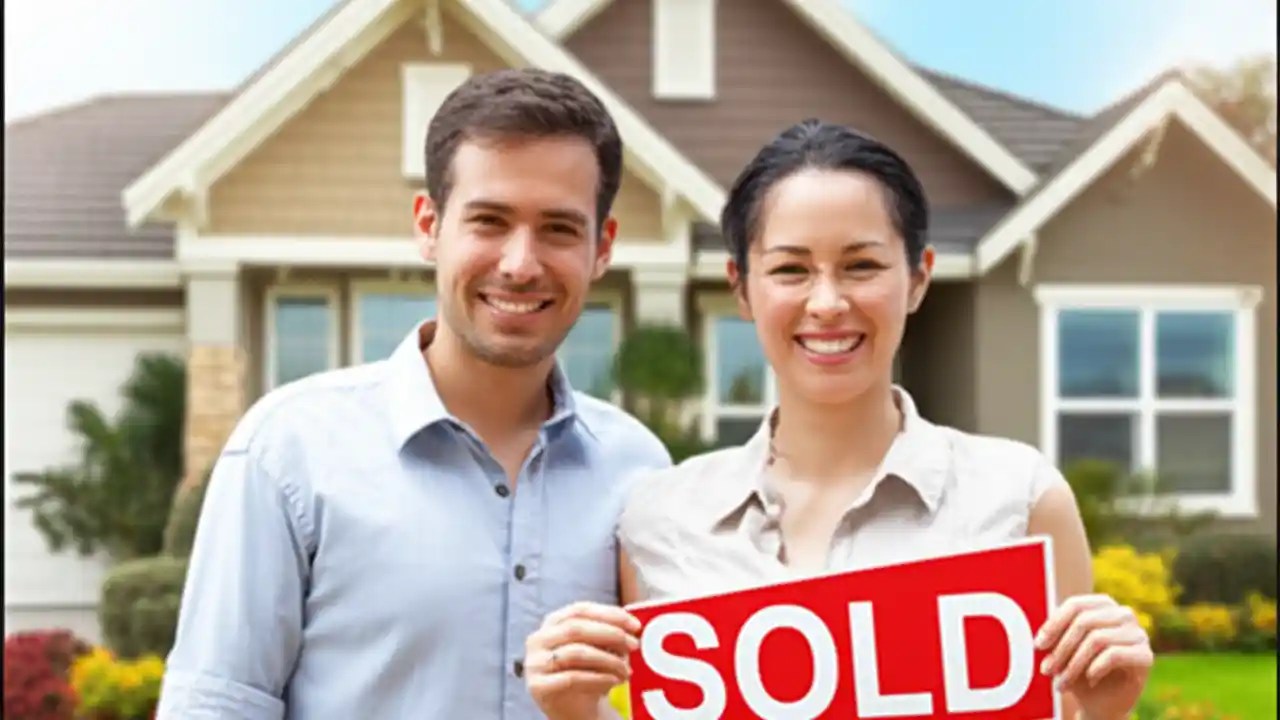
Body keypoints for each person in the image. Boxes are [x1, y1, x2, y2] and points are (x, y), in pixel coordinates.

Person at [524, 119, 1154, 720]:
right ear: (743, 288)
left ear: (917, 278)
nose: (827, 303)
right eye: (791, 269)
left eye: (861, 266)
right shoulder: (659, 521)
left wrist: (1106, 708)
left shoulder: (1019, 497)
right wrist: (579, 711)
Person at [157, 68, 672, 720]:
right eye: (490, 221)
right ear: (429, 226)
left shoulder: (641, 474)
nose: (520, 262)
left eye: (559, 229)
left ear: (602, 247)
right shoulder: (290, 452)